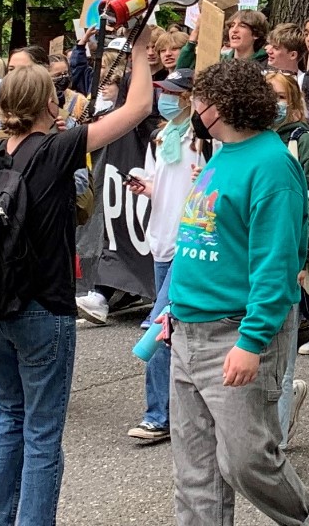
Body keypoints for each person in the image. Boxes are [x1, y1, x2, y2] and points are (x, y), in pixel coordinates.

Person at [0, 30, 154, 526]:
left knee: (8, 417)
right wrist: (138, 48)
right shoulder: (55, 149)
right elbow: (136, 109)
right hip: (43, 305)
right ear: (51, 101)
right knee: (43, 432)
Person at [166, 59, 309, 526]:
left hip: (234, 331)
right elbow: (202, 240)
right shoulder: (221, 156)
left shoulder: (273, 164)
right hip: (188, 329)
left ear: (217, 107)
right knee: (194, 473)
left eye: (197, 100)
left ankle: (302, 515)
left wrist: (252, 341)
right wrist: (169, 310)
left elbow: (277, 264)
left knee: (245, 460)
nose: (190, 108)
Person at [121, 68, 206, 445]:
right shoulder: (161, 136)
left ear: (190, 97)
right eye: (162, 91)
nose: (165, 97)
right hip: (161, 241)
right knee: (175, 331)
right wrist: (146, 187)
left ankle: (159, 415)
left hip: (190, 244)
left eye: (173, 91)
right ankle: (181, 411)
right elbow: (161, 184)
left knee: (160, 328)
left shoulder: (204, 140)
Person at [267, 71, 309, 448]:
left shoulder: (304, 144)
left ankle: (277, 434)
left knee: (281, 353)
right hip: (257, 259)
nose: (271, 103)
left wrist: (301, 256)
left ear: (292, 103)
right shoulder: (255, 140)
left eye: (277, 96)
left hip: (290, 262)